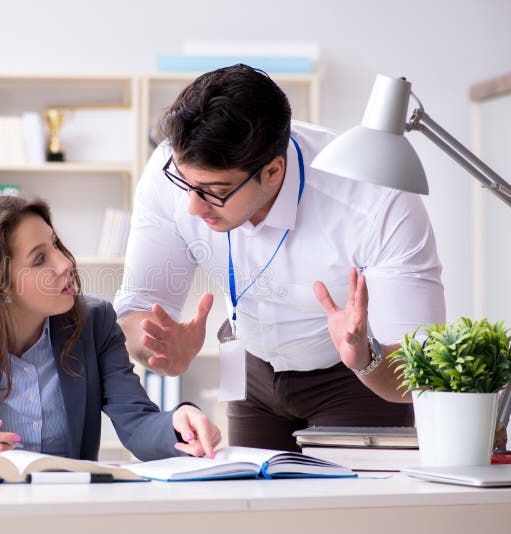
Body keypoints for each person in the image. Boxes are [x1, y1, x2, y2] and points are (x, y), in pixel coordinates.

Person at [115, 64, 445, 451]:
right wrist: (156, 349)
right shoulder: (172, 169)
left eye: (213, 190)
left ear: (272, 172)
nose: (191, 206)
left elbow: (424, 370)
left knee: (350, 509)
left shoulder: (375, 199)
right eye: (185, 184)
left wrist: (364, 357)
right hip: (251, 371)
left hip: (355, 380)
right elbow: (137, 309)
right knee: (254, 506)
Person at [0, 195, 221, 460]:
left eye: (56, 244)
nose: (64, 263)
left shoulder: (94, 323)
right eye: (40, 258)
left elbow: (137, 424)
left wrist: (178, 424)